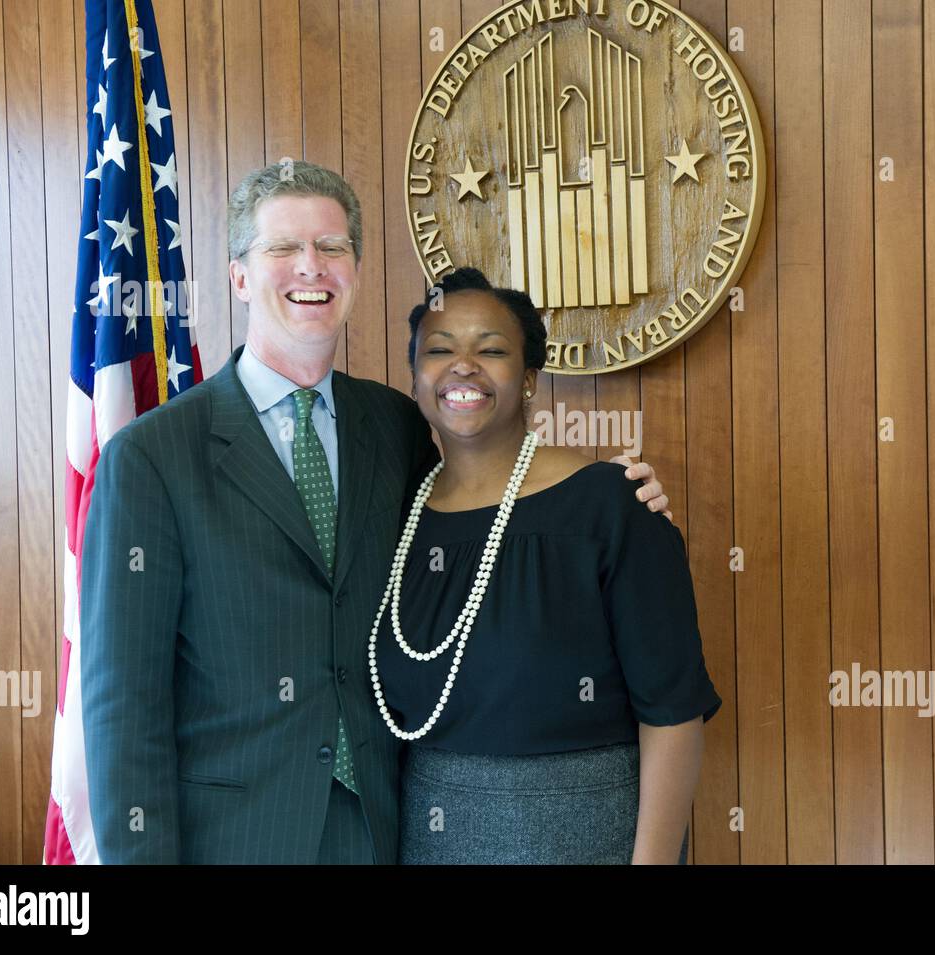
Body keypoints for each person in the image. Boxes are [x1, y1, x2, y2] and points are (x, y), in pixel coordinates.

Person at [80, 161, 670, 863]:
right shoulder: (150, 457)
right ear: (240, 275)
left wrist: (609, 494)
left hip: (392, 833)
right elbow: (123, 710)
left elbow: (480, 525)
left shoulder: (394, 426)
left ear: (355, 269)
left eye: (332, 247)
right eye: (283, 248)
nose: (312, 266)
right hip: (234, 842)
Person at [373, 268, 721, 865]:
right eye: (439, 350)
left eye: (491, 350)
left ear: (530, 378)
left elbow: (673, 715)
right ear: (415, 379)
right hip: (427, 836)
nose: (463, 366)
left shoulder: (613, 504)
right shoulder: (394, 516)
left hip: (583, 832)